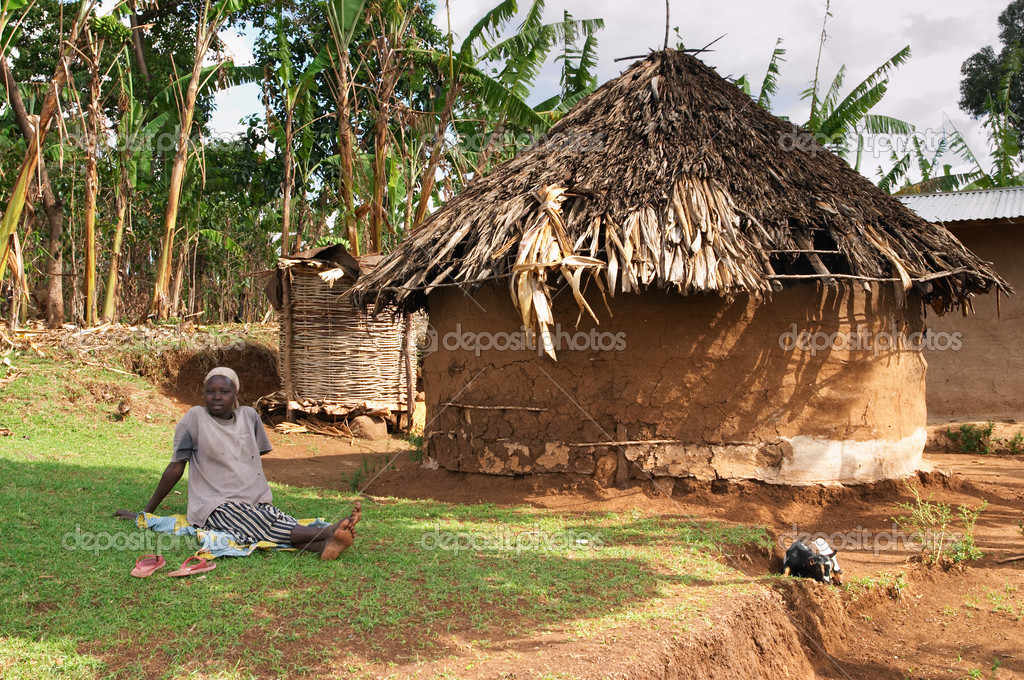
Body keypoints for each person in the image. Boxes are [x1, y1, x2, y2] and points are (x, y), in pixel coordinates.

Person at [116, 367, 359, 561]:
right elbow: (176, 467)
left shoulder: (249, 416)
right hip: (213, 504)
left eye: (224, 391)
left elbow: (253, 455)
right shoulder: (195, 418)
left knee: (272, 520)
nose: (217, 396)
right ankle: (326, 531)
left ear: (236, 395)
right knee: (253, 522)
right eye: (211, 391)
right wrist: (146, 513)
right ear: (204, 394)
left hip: (254, 498)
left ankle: (323, 545)